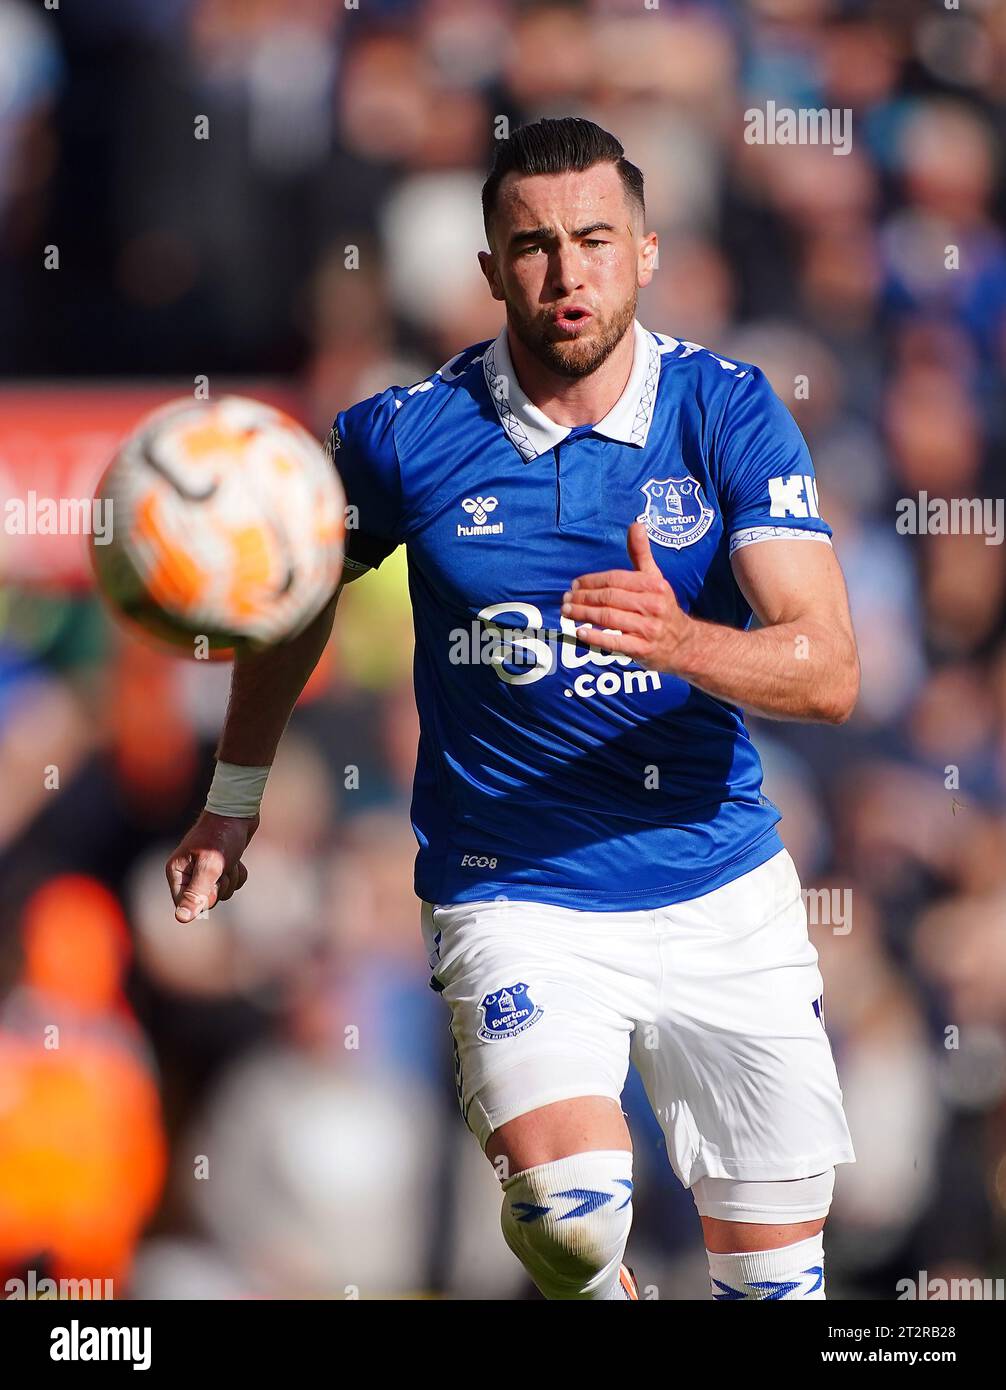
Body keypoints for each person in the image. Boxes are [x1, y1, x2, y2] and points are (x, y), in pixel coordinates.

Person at [166, 117, 859, 1301]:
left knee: (779, 1285)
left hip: (719, 883)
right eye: (531, 246)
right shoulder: (404, 438)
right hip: (514, 888)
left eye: (594, 239)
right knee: (569, 1217)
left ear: (645, 249)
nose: (566, 272)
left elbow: (829, 671)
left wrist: (682, 640)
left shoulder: (727, 413)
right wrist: (233, 802)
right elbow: (293, 601)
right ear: (490, 271)